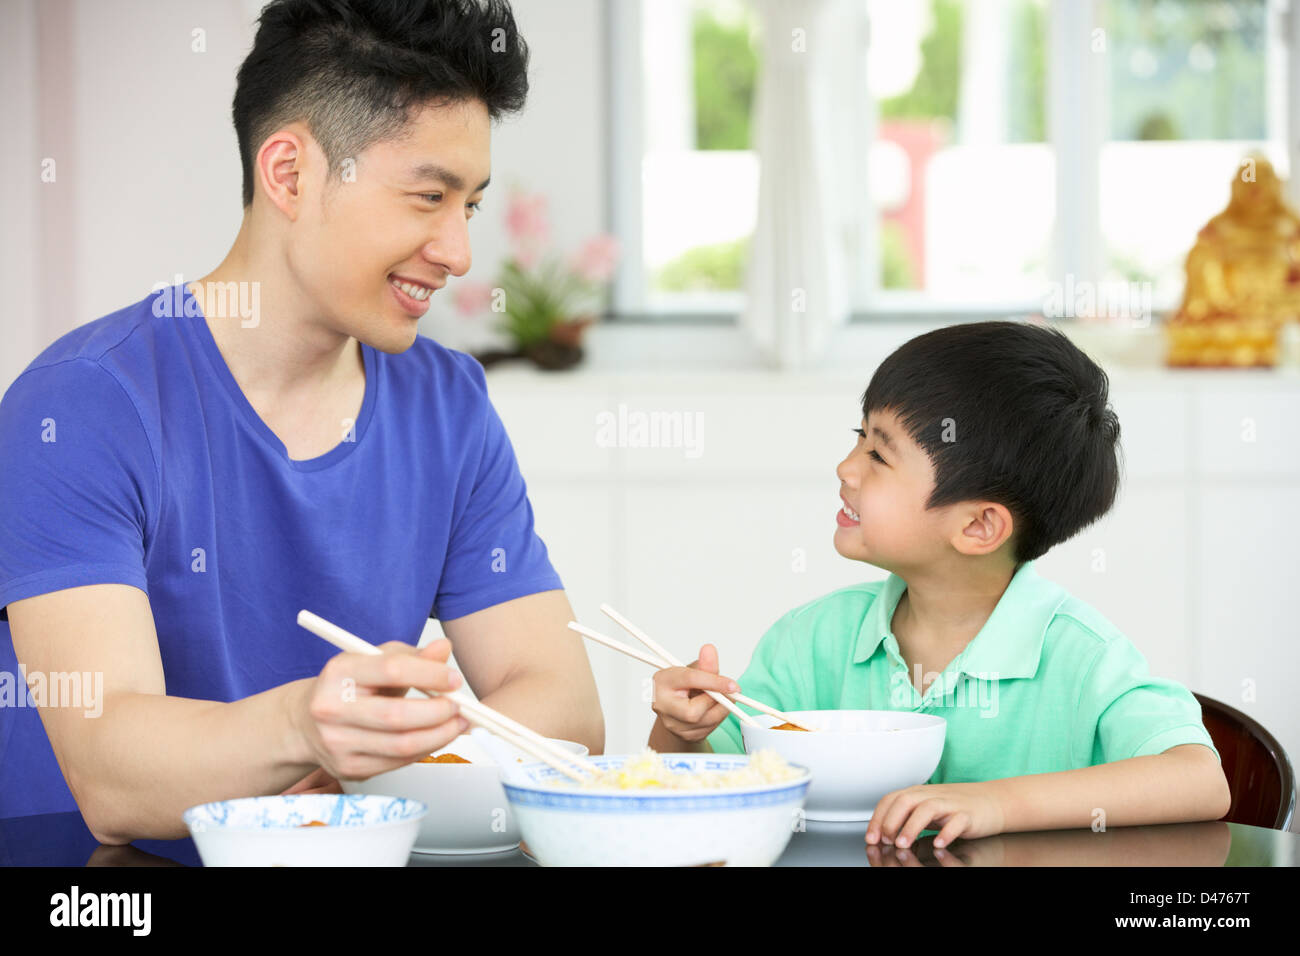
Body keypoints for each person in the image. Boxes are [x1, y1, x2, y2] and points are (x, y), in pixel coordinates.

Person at [0, 0, 602, 843]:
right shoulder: (81, 405)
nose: (460, 252)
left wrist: (376, 766)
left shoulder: (447, 402)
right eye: (428, 196)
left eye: (468, 205)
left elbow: (564, 706)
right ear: (289, 175)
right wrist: (305, 729)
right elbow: (107, 772)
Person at [648, 321, 1230, 850]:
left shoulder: (1080, 656)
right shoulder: (812, 640)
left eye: (878, 454)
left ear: (978, 526)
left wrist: (995, 803)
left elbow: (1200, 781)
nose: (846, 468)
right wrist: (682, 732)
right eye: (859, 436)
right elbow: (701, 787)